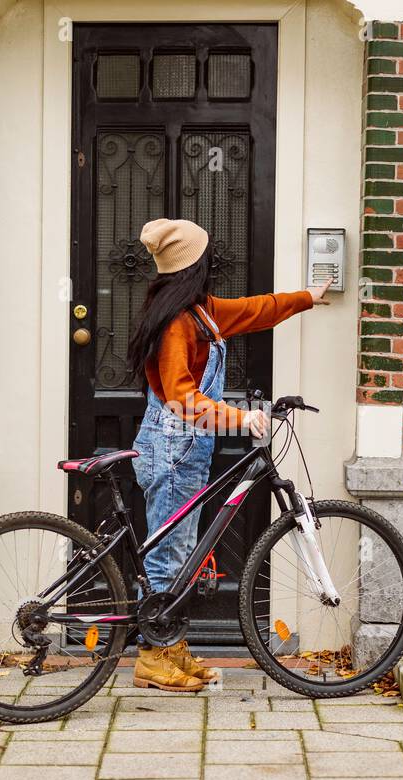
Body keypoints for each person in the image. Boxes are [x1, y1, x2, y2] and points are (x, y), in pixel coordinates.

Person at [126, 218, 332, 691]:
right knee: (168, 554)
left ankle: (171, 647)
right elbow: (181, 398)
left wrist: (306, 297)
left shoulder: (201, 312)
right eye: (206, 255)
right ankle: (152, 658)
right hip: (172, 447)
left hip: (186, 447)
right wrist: (240, 419)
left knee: (181, 552)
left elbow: (256, 310)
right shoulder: (177, 323)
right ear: (194, 265)